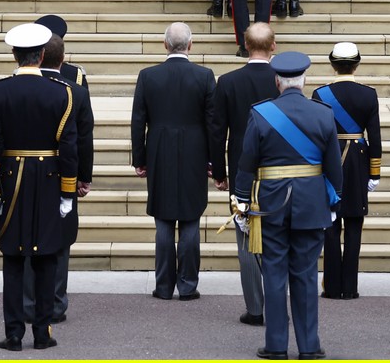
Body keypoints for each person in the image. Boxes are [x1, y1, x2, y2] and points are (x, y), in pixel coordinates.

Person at [233, 51, 342, 361]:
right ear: (303, 80)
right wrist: (334, 200)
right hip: (311, 203)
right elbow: (334, 166)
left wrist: (241, 201)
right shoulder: (322, 113)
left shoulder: (261, 113)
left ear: (277, 81)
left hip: (271, 204)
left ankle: (277, 345)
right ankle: (309, 346)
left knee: (275, 275)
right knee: (306, 276)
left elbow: (246, 163)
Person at [0, 23, 78, 352]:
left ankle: (13, 334)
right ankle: (42, 332)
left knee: (13, 259)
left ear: (15, 54)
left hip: (10, 180)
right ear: (40, 56)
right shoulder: (61, 91)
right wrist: (68, 192)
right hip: (49, 181)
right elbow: (69, 148)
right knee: (45, 258)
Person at [130, 22, 216, 300]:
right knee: (190, 218)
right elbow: (213, 124)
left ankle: (164, 285)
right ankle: (188, 285)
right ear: (190, 45)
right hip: (195, 151)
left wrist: (139, 158)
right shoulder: (204, 76)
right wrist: (215, 161)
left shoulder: (148, 75)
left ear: (164, 44)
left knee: (163, 220)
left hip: (159, 151)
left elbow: (138, 122)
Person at [21, 15, 93, 327]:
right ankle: (56, 302)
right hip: (63, 168)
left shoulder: (22, 79)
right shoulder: (75, 78)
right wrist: (83, 176)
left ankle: (29, 302)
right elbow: (84, 133)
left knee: (28, 236)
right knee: (60, 239)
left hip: (26, 170)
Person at [209, 22, 280, 326]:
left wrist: (220, 172)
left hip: (242, 169)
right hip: (279, 167)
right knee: (277, 239)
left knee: (245, 239)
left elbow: (217, 131)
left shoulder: (227, 81)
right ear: (273, 46)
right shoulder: (283, 79)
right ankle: (277, 303)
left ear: (246, 46)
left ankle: (255, 307)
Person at [312, 41, 381, 301]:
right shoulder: (368, 94)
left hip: (329, 162)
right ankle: (349, 287)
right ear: (357, 63)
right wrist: (374, 173)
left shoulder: (320, 94)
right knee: (354, 226)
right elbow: (375, 136)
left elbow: (315, 135)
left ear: (332, 64)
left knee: (330, 226)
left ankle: (331, 285)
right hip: (358, 163)